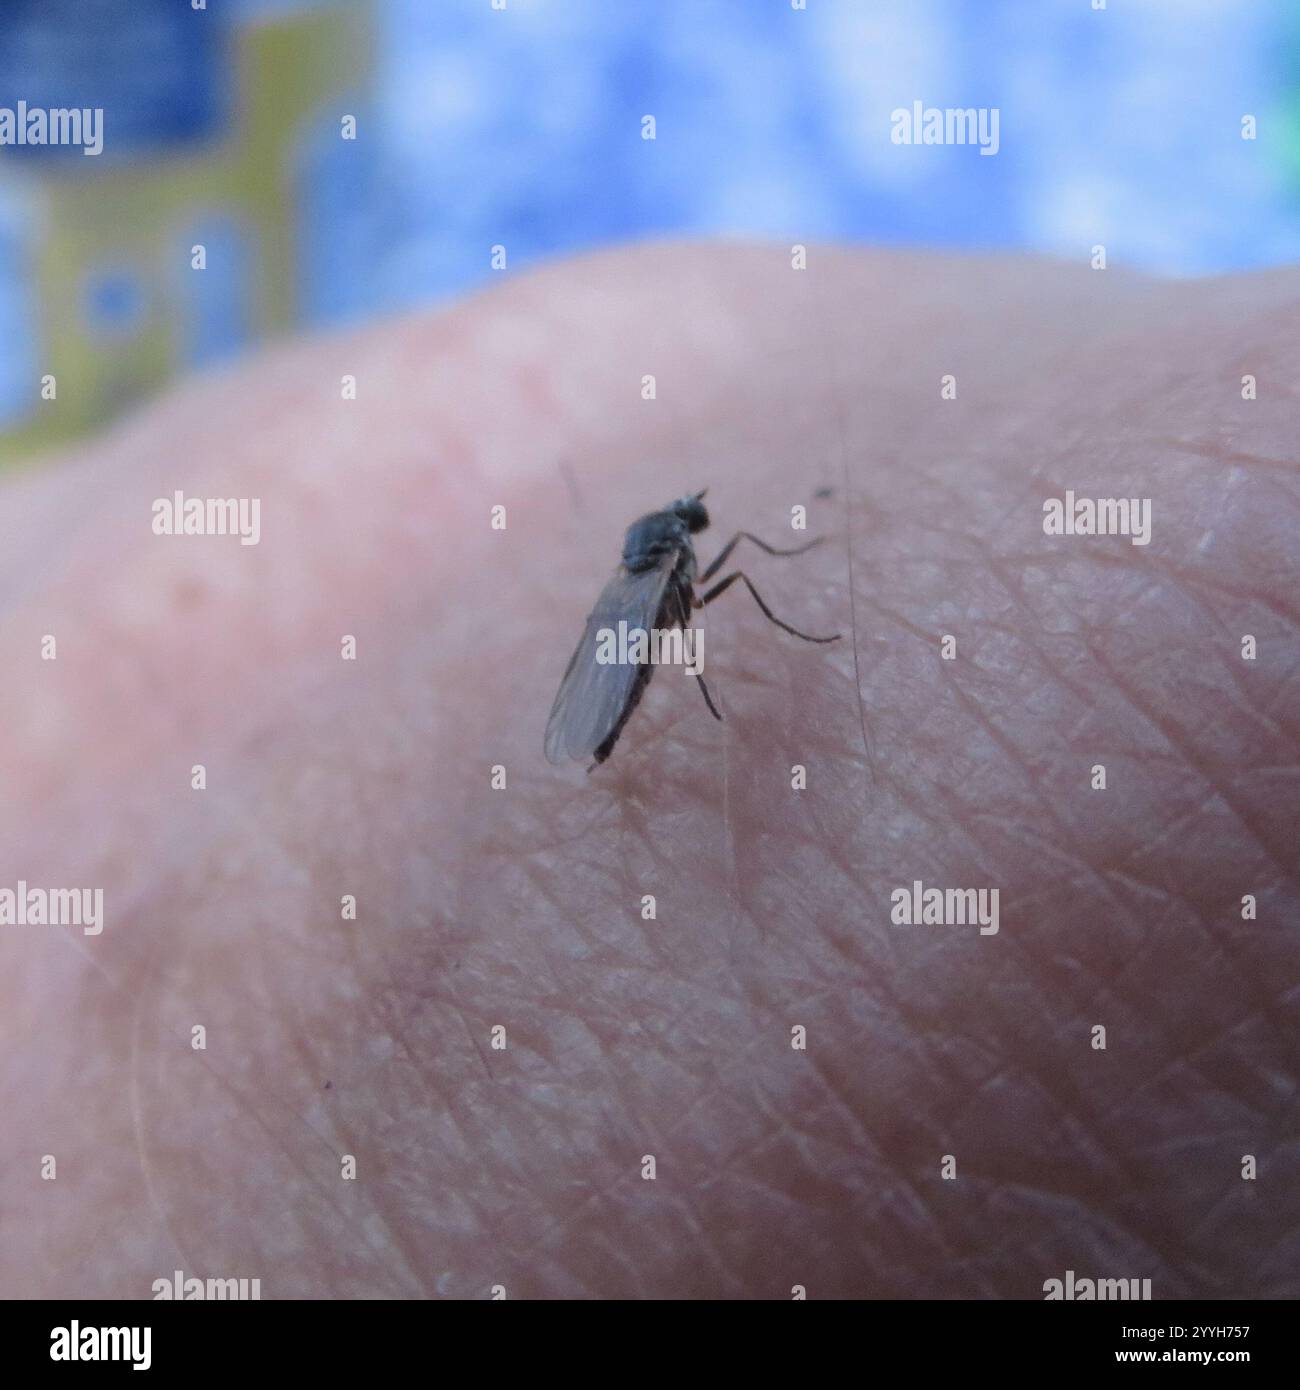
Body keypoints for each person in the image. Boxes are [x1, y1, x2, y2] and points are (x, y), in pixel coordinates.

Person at [0, 243, 1293, 1298]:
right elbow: (672, 622)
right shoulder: (670, 565)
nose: (697, 531)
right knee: (703, 633)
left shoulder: (651, 556)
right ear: (671, 536)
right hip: (622, 670)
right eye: (688, 527)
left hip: (614, 646)